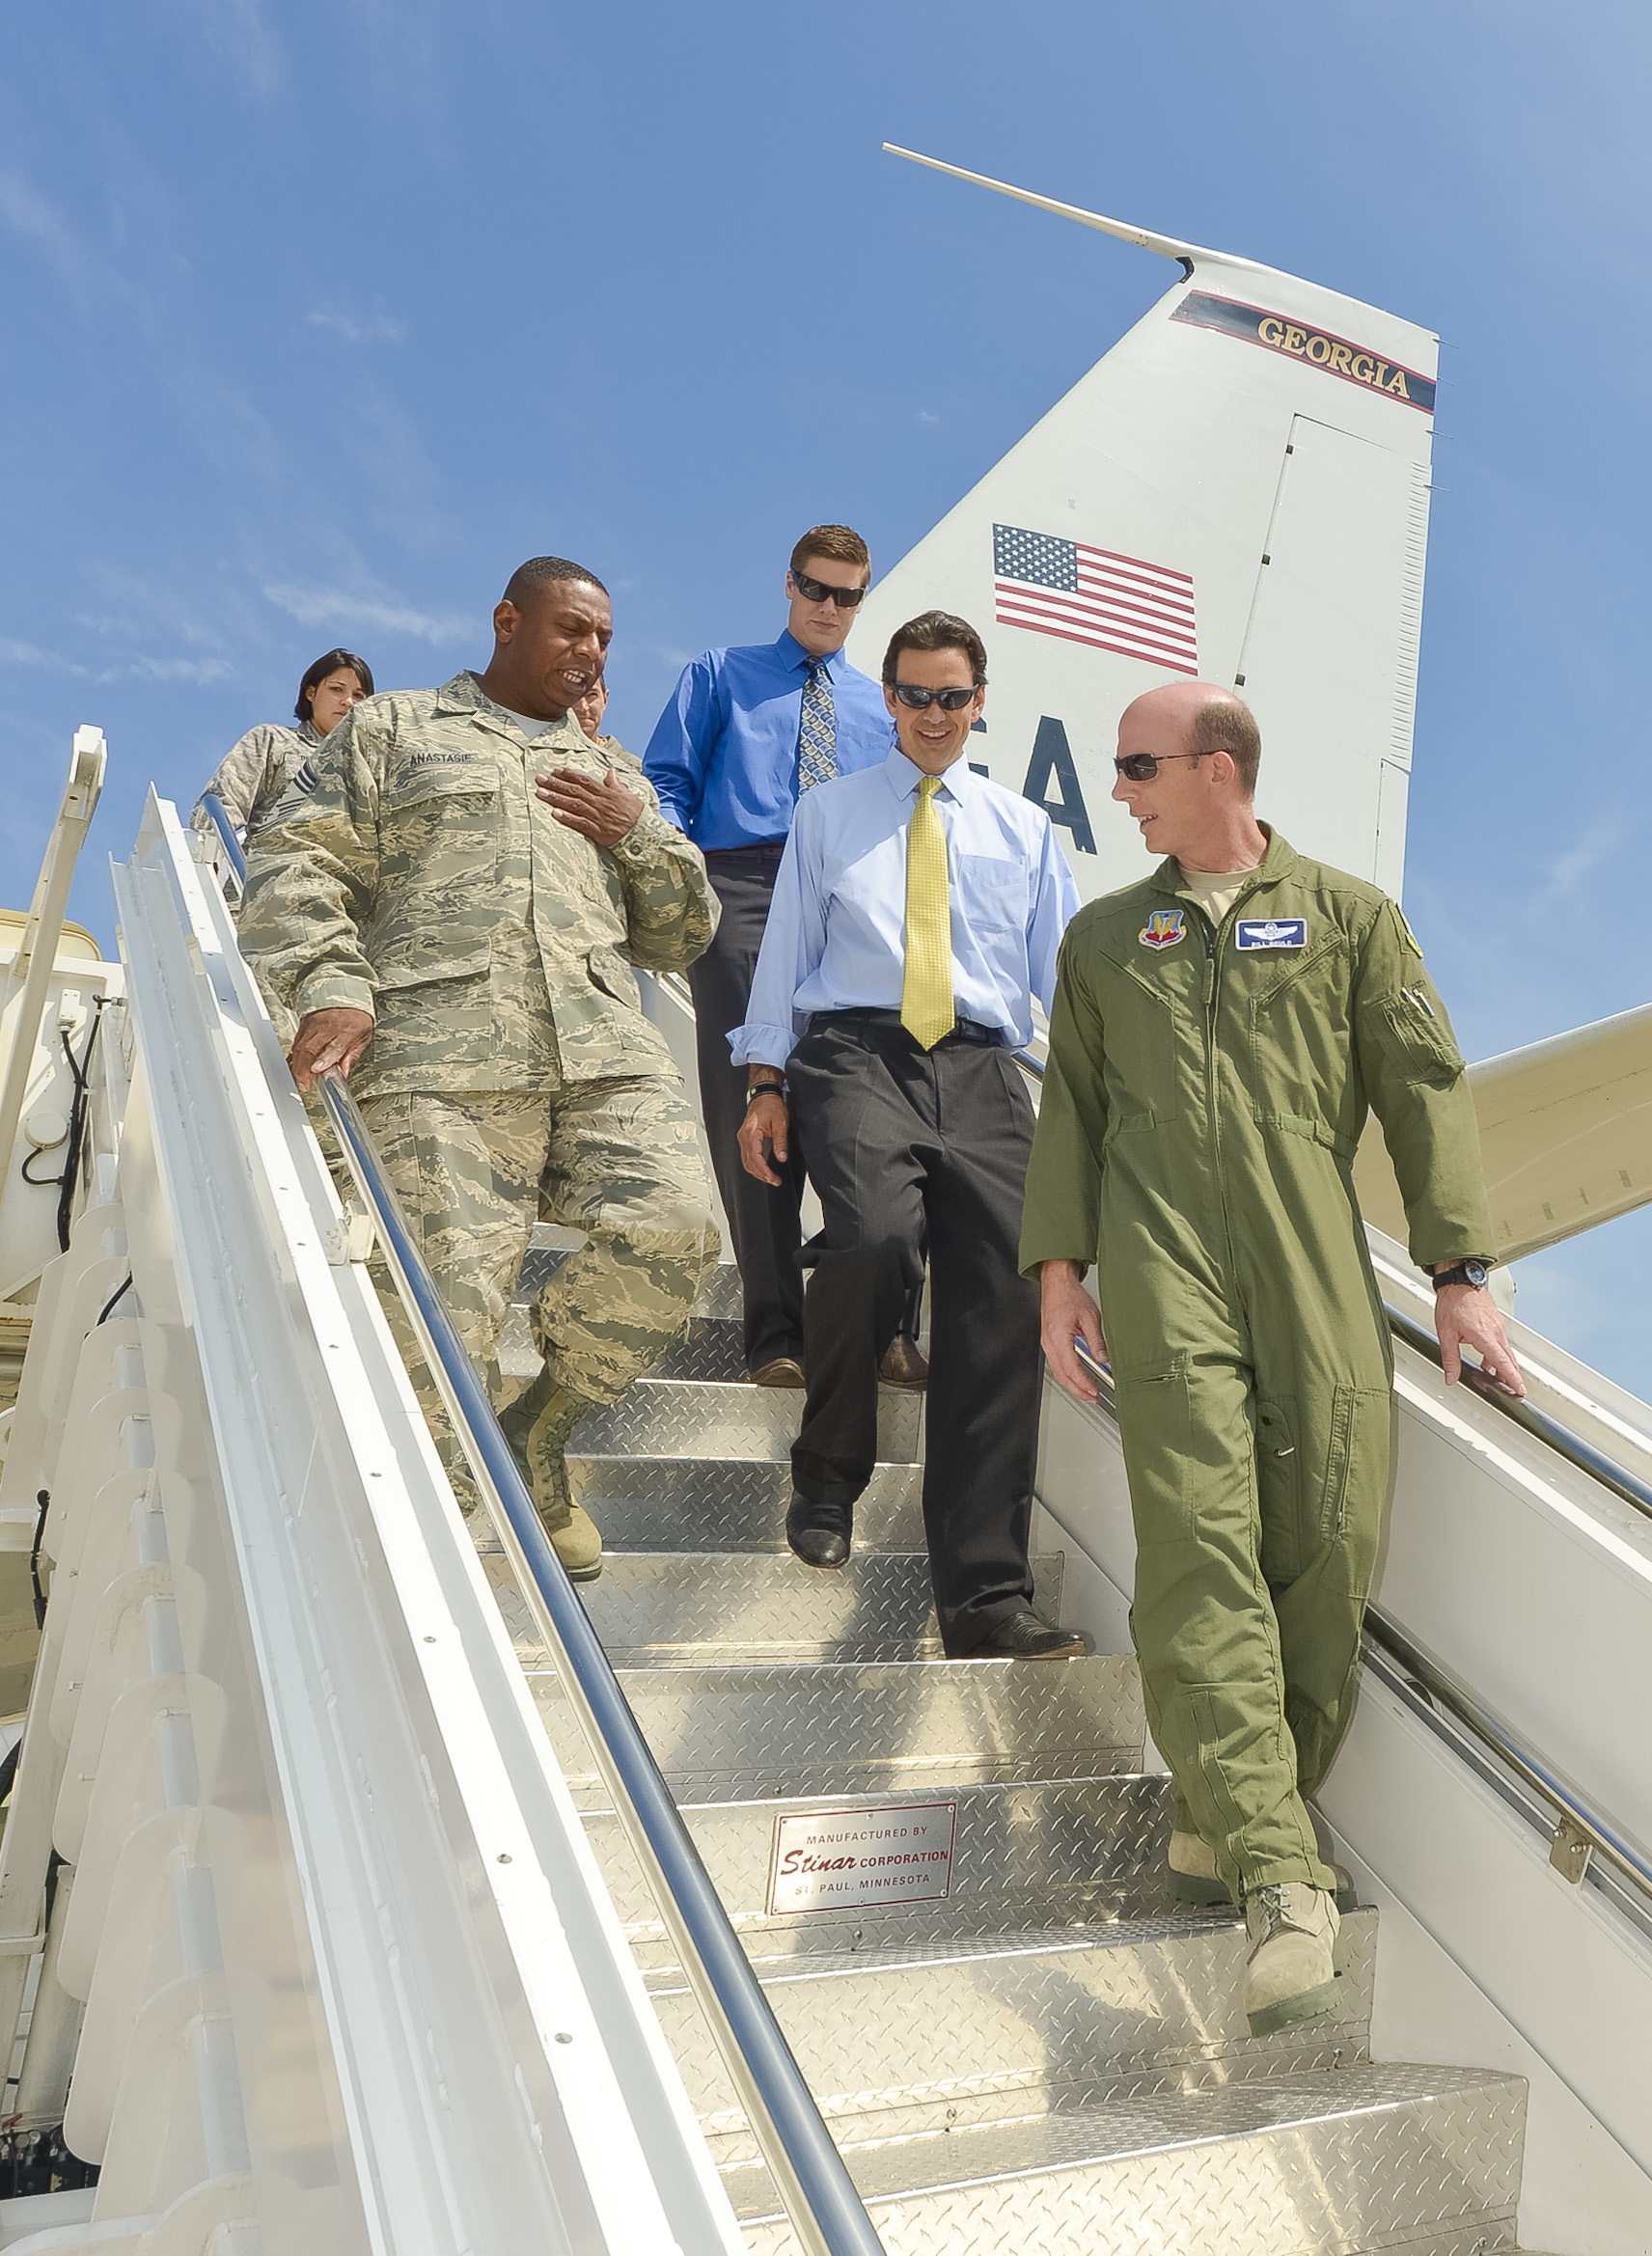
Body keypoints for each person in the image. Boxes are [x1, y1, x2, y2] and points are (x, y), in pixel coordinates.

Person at [1022, 678, 1523, 2035]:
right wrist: (1060, 1270)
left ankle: (1222, 1812)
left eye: (1137, 763)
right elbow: (1072, 1106)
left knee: (1331, 1535)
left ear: (1217, 768)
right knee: (1199, 1540)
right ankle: (1279, 1872)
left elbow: (1424, 1090)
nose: (1117, 788)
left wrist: (1461, 1275)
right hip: (1161, 1255)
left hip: (1315, 1260)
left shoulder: (1353, 918)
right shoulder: (1106, 938)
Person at [237, 558, 721, 1582]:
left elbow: (683, 933)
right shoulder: (396, 729)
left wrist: (638, 837)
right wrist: (330, 978)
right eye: (570, 629)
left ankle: (539, 1430)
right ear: (507, 620)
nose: (590, 651)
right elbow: (296, 856)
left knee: (677, 1226)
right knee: (443, 1320)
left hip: (601, 1059)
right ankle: (431, 1561)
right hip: (440, 1061)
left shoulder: (610, 768)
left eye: (603, 637)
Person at [732, 610, 1084, 1660]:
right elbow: (784, 945)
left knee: (1003, 1301)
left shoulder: (1023, 830)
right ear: (886, 700)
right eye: (916, 696)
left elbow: (1065, 978)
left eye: (954, 698)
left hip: (981, 1066)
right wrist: (764, 1078)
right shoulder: (829, 815)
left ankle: (983, 1600)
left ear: (979, 704)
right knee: (875, 1238)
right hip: (854, 1052)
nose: (934, 716)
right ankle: (828, 1480)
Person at [645, 526, 927, 1389]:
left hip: (850, 896)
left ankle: (883, 1324)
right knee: (751, 1099)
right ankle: (775, 1332)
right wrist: (687, 872)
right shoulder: (719, 674)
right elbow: (667, 783)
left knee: (877, 1100)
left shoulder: (884, 708)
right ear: (789, 586)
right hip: (744, 886)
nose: (830, 609)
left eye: (849, 596)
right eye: (817, 589)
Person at [191, 648, 373, 843]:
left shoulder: (371, 770)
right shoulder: (272, 741)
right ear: (311, 693)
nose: (348, 702)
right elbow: (222, 804)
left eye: (358, 696)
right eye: (336, 689)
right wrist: (209, 853)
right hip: (272, 868)